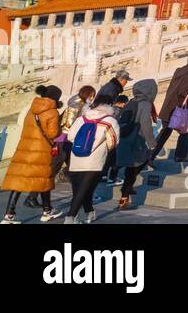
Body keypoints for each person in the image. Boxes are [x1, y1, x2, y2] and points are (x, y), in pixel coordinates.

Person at [1, 85, 63, 223]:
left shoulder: (32, 110)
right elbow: (53, 133)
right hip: (40, 151)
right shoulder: (52, 112)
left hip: (25, 149)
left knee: (19, 182)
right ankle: (47, 211)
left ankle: (8, 216)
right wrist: (60, 130)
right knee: (43, 180)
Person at [63, 95, 118, 224]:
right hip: (95, 160)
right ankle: (70, 217)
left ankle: (89, 213)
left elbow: (70, 136)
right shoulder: (110, 121)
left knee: (79, 189)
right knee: (84, 189)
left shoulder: (82, 118)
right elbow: (113, 142)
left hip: (77, 158)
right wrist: (101, 148)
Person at [148, 54, 188, 166]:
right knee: (185, 131)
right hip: (176, 110)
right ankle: (179, 156)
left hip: (168, 107)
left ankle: (150, 156)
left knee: (165, 133)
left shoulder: (179, 71)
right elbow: (183, 92)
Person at [115, 79, 157, 210]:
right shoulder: (145, 104)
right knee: (139, 164)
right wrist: (152, 142)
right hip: (136, 141)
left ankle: (125, 193)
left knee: (131, 169)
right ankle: (124, 198)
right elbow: (145, 123)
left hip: (125, 139)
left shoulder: (132, 102)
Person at [102, 94, 129, 183]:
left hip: (106, 137)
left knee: (107, 158)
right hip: (115, 137)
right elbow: (117, 124)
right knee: (114, 159)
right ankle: (112, 177)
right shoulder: (119, 111)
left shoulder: (109, 109)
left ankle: (104, 175)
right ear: (122, 103)